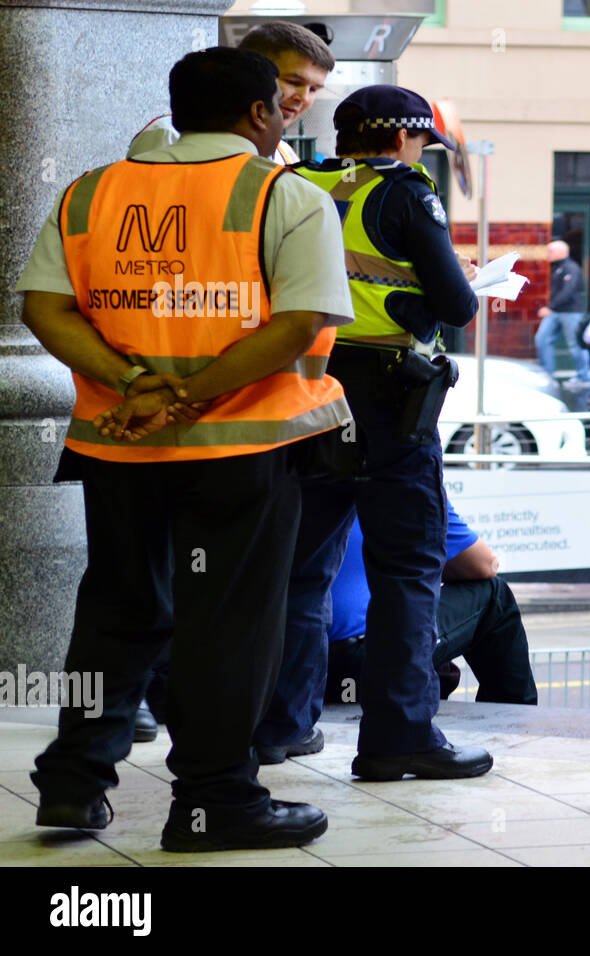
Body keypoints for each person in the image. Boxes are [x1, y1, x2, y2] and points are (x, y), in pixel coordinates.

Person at [22, 48, 354, 851]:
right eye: (284, 104)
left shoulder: (91, 192)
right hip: (243, 452)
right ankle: (215, 801)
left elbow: (44, 309)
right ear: (258, 114)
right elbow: (300, 323)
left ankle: (74, 781)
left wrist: (137, 383)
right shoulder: (284, 195)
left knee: (117, 609)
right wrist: (194, 392)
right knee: (228, 623)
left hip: (119, 449)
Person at [252, 85, 489, 782]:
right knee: (408, 570)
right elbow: (455, 305)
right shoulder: (407, 193)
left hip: (306, 389)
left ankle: (279, 729)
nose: (425, 156)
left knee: (300, 566)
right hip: (390, 401)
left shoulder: (292, 183)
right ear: (404, 138)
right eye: (423, 143)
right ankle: (399, 737)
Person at [324, 508, 537, 710]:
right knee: (494, 595)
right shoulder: (407, 478)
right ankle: (512, 723)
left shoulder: (306, 480)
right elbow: (484, 565)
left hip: (306, 668)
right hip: (361, 663)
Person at [128, 21, 333, 164]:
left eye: (314, 89)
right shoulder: (169, 133)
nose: (303, 98)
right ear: (253, 67)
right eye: (293, 81)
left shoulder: (285, 153)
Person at [535, 239, 590, 407]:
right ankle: (548, 373)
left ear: (562, 252)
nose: (548, 254)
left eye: (551, 251)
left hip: (571, 312)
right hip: (558, 311)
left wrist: (550, 307)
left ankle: (583, 377)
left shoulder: (571, 268)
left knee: (576, 344)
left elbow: (569, 290)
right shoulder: (558, 268)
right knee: (542, 339)